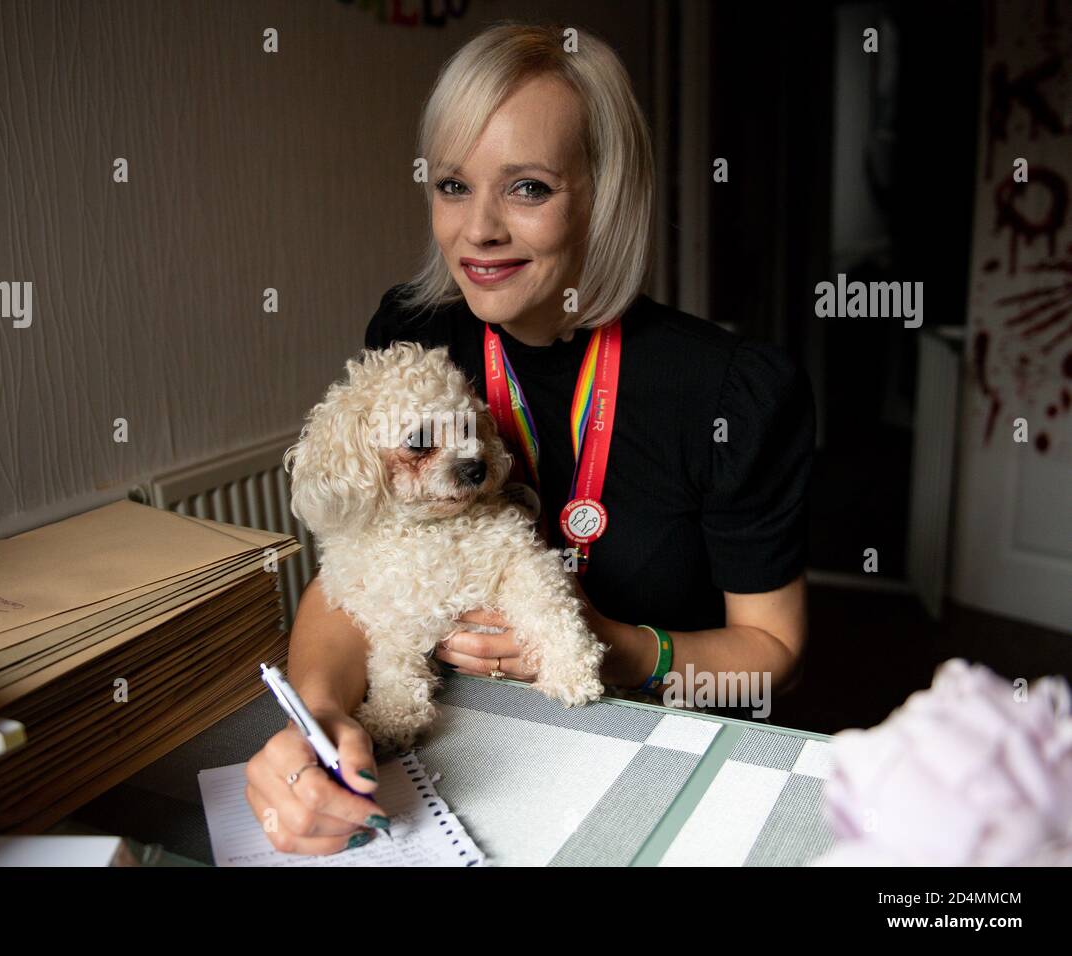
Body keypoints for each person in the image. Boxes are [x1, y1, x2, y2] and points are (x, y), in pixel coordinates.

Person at [244, 22, 814, 856]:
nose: (477, 231)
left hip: (647, 750)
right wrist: (324, 715)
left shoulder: (730, 390)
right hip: (457, 754)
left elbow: (773, 653)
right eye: (451, 185)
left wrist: (618, 648)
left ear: (606, 193)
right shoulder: (413, 334)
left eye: (529, 189)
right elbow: (351, 578)